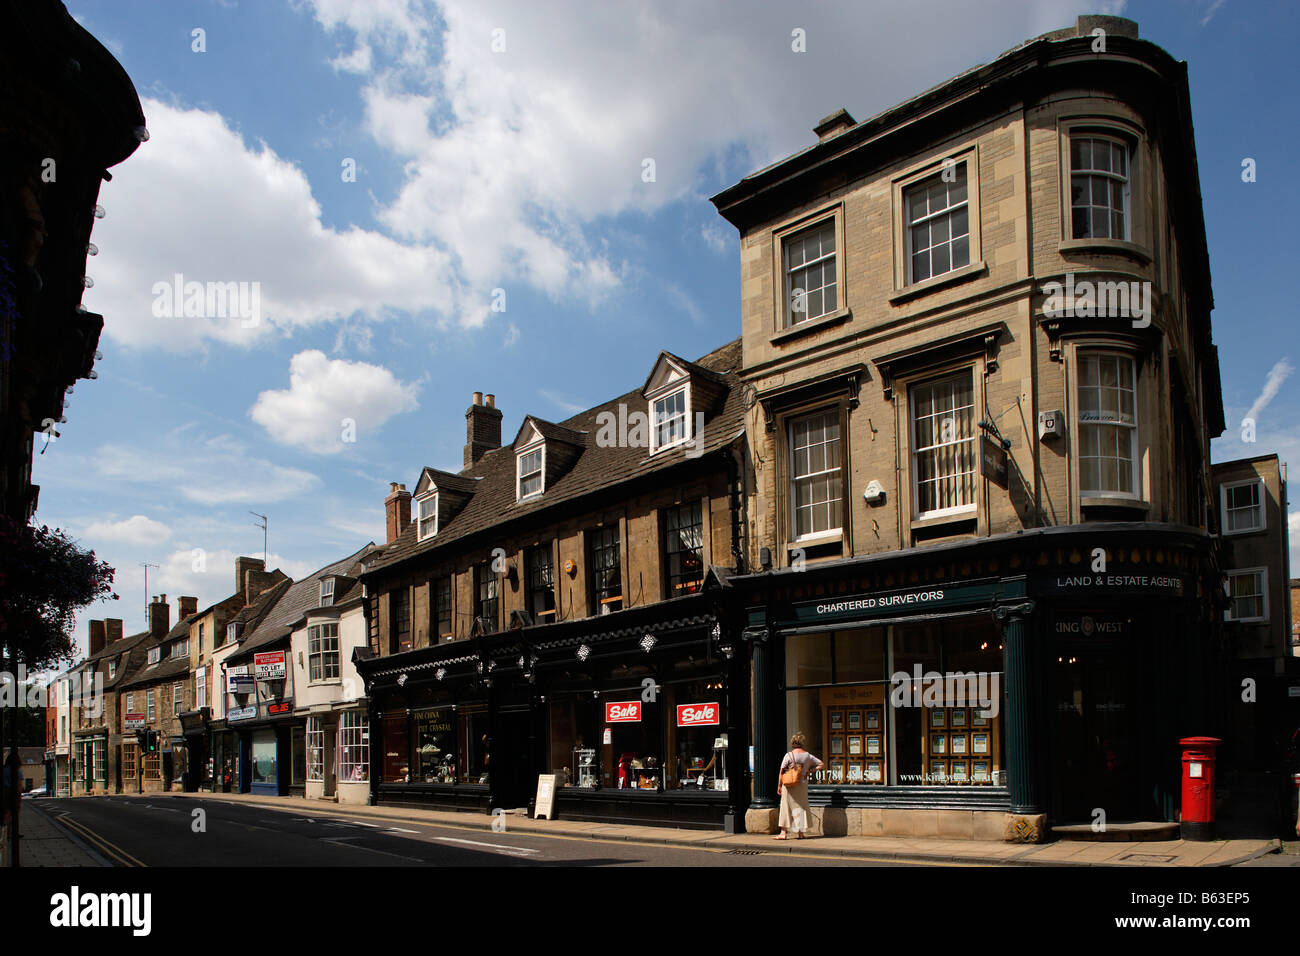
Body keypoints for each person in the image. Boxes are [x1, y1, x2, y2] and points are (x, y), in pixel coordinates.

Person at [775, 732, 824, 840]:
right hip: (801, 784)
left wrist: (779, 785)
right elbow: (821, 764)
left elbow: (781, 772)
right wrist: (810, 771)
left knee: (785, 807)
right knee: (800, 807)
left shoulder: (788, 755)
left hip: (788, 784)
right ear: (802, 743)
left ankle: (783, 833)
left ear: (793, 743)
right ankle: (800, 833)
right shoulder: (807, 756)